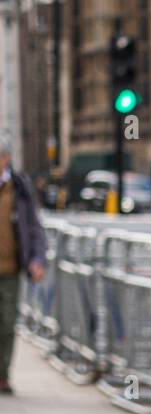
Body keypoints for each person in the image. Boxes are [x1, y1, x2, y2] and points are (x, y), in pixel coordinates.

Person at [0, 132, 47, 394]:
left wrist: (37, 259)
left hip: (9, 268)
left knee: (7, 324)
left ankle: (2, 375)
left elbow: (33, 228)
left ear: (6, 158)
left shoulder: (19, 187)